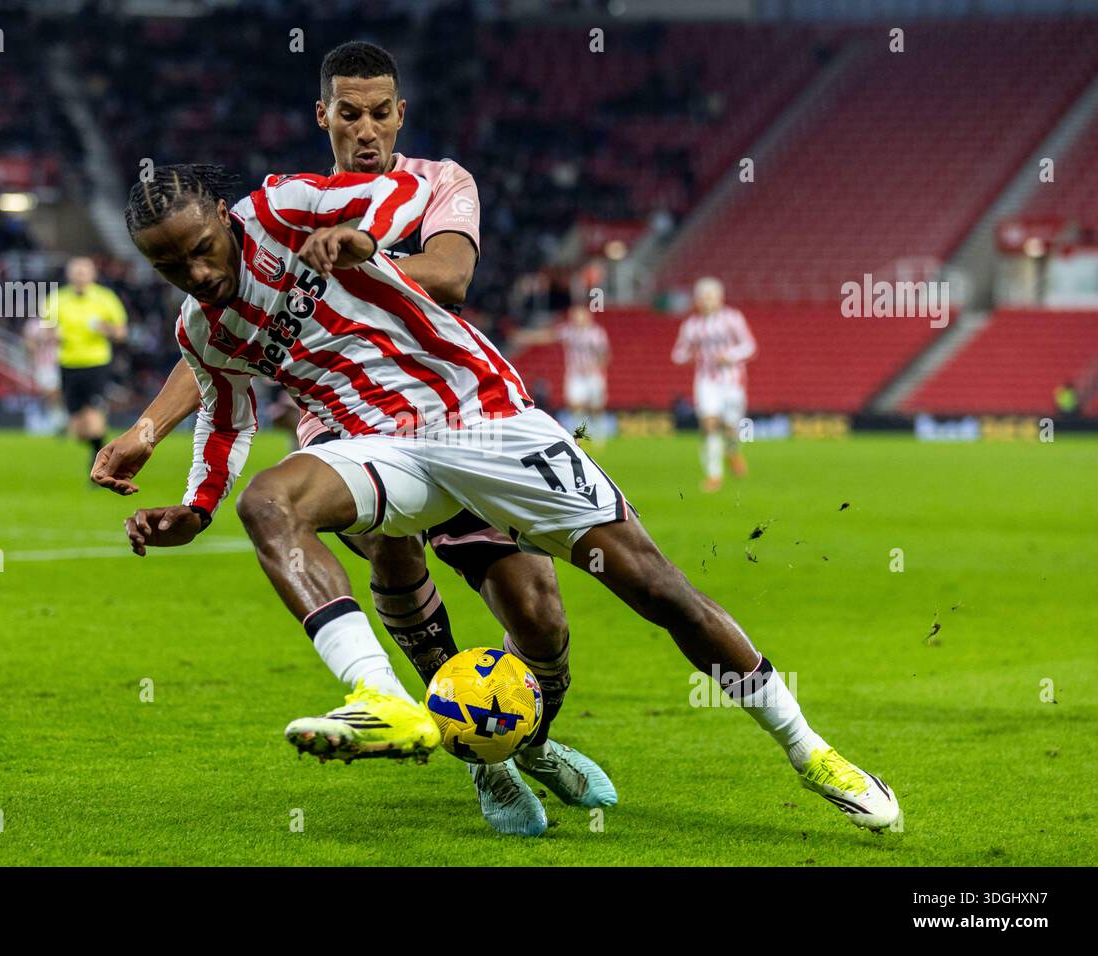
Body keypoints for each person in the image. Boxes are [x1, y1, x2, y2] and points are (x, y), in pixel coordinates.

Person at [114, 163, 901, 833]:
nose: (198, 275)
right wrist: (196, 504)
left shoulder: (282, 207)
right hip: (383, 449)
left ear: (224, 216)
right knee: (271, 503)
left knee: (656, 591)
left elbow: (388, 205)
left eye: (203, 251)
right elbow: (223, 410)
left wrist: (367, 245)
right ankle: (384, 701)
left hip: (483, 421)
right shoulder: (203, 328)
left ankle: (809, 750)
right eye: (172, 268)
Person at [93, 43, 613, 837]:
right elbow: (216, 336)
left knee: (537, 608)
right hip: (342, 425)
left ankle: (527, 739)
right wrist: (149, 431)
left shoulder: (435, 184)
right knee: (393, 554)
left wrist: (365, 255)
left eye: (379, 113)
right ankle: (476, 757)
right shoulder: (282, 211)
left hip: (446, 407)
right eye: (349, 113)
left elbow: (447, 278)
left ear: (400, 113)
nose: (364, 128)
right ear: (324, 117)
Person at [671, 277, 755, 492]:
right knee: (709, 424)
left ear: (720, 298)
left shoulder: (732, 318)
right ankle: (713, 474)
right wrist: (687, 355)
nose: (707, 301)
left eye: (711, 296)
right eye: (703, 297)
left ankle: (733, 451)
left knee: (730, 426)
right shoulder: (691, 325)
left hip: (732, 380)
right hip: (706, 381)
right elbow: (678, 354)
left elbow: (749, 346)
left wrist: (731, 355)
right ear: (697, 300)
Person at [45, 257, 127, 469]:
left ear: (92, 275)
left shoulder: (105, 298)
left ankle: (99, 460)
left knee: (93, 413)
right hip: (68, 364)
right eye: (76, 272)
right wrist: (52, 335)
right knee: (77, 428)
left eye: (84, 272)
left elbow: (121, 332)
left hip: (96, 363)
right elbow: (45, 329)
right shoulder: (56, 299)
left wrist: (106, 329)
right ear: (69, 275)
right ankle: (96, 444)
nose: (80, 276)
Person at [511, 304, 611, 433]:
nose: (576, 318)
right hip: (575, 374)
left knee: (596, 407)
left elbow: (605, 355)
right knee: (575, 405)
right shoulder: (569, 331)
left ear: (587, 317)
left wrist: (594, 366)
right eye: (574, 316)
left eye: (579, 315)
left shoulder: (596, 333)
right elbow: (547, 336)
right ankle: (581, 434)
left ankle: (599, 434)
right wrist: (525, 336)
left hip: (593, 374)